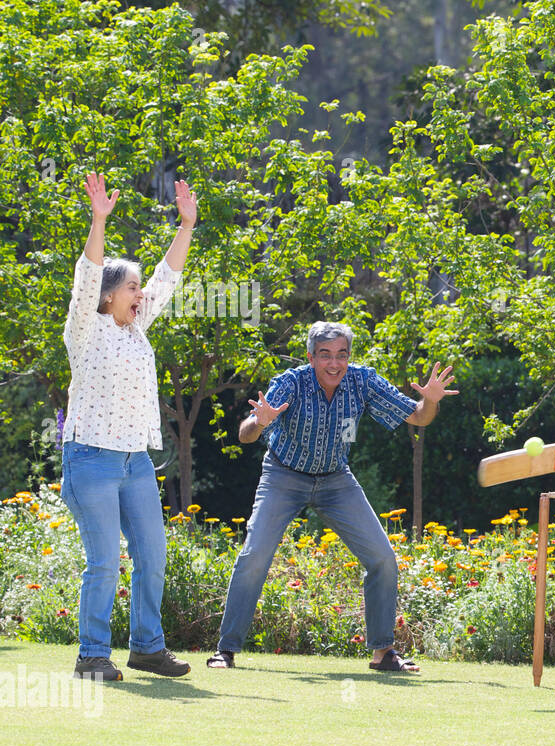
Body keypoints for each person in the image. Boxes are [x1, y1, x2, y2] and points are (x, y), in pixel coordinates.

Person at [207, 322, 457, 672]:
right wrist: (260, 422)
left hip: (336, 479)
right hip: (283, 476)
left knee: (383, 559)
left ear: (348, 357)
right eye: (325, 355)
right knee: (255, 554)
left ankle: (383, 654)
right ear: (311, 357)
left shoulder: (362, 380)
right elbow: (245, 435)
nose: (334, 363)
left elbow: (418, 416)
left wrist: (429, 401)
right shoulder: (290, 383)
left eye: (341, 354)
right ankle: (226, 650)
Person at [62, 173, 196, 681]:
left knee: (152, 556)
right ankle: (92, 656)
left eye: (140, 288)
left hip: (134, 461)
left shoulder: (136, 327)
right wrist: (98, 220)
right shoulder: (85, 328)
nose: (142, 294)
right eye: (132, 287)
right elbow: (85, 275)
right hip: (91, 460)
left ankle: (146, 649)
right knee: (103, 562)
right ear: (107, 295)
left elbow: (168, 276)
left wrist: (186, 225)